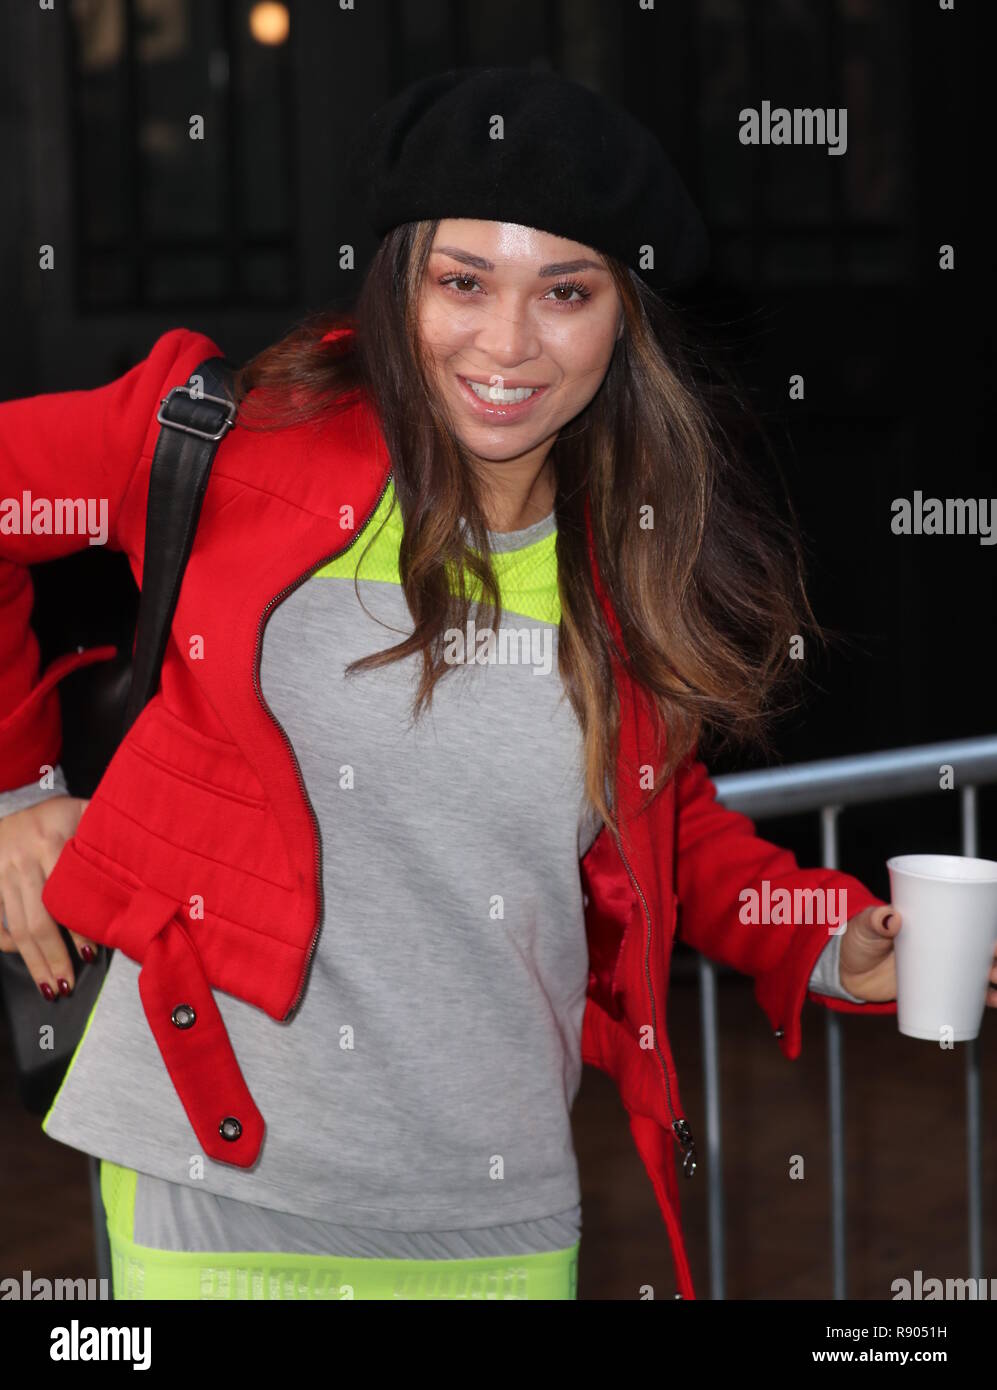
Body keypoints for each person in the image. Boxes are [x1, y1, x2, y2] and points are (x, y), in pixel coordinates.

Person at [2, 65, 993, 1302]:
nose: (506, 344)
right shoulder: (229, 444)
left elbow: (645, 820)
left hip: (502, 1211)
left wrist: (822, 939)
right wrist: (16, 786)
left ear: (623, 317)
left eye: (565, 293)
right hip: (221, 1190)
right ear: (397, 283)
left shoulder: (628, 547)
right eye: (462, 282)